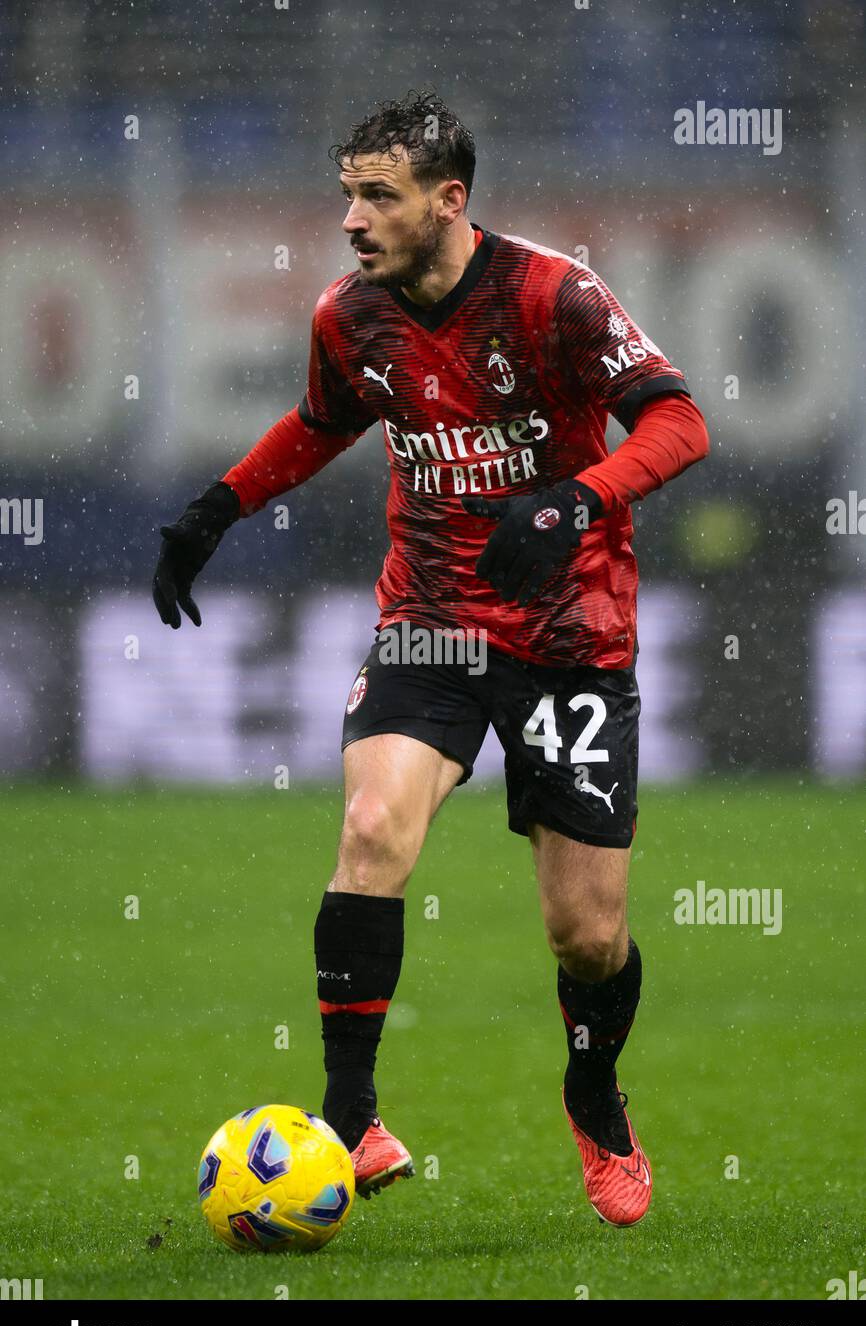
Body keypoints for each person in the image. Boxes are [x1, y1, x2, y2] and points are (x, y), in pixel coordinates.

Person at [153, 90, 710, 1227]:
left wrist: (571, 502)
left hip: (569, 637)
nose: (352, 219)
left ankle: (593, 1090)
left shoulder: (551, 293)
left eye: (377, 195)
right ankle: (350, 1118)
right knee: (370, 829)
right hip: (431, 618)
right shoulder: (348, 316)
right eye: (346, 193)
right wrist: (218, 508)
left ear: (447, 201)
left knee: (586, 933)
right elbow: (320, 423)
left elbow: (677, 422)